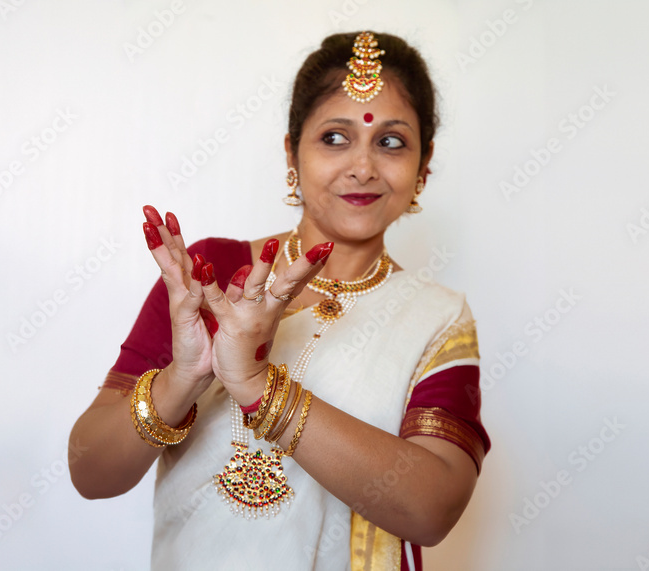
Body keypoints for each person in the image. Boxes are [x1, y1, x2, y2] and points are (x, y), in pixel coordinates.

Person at [69, 31, 489, 570]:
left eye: (391, 142)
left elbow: (431, 510)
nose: (363, 166)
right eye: (335, 138)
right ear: (292, 152)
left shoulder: (436, 317)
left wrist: (257, 387)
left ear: (423, 165)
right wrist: (183, 377)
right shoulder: (209, 277)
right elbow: (91, 473)